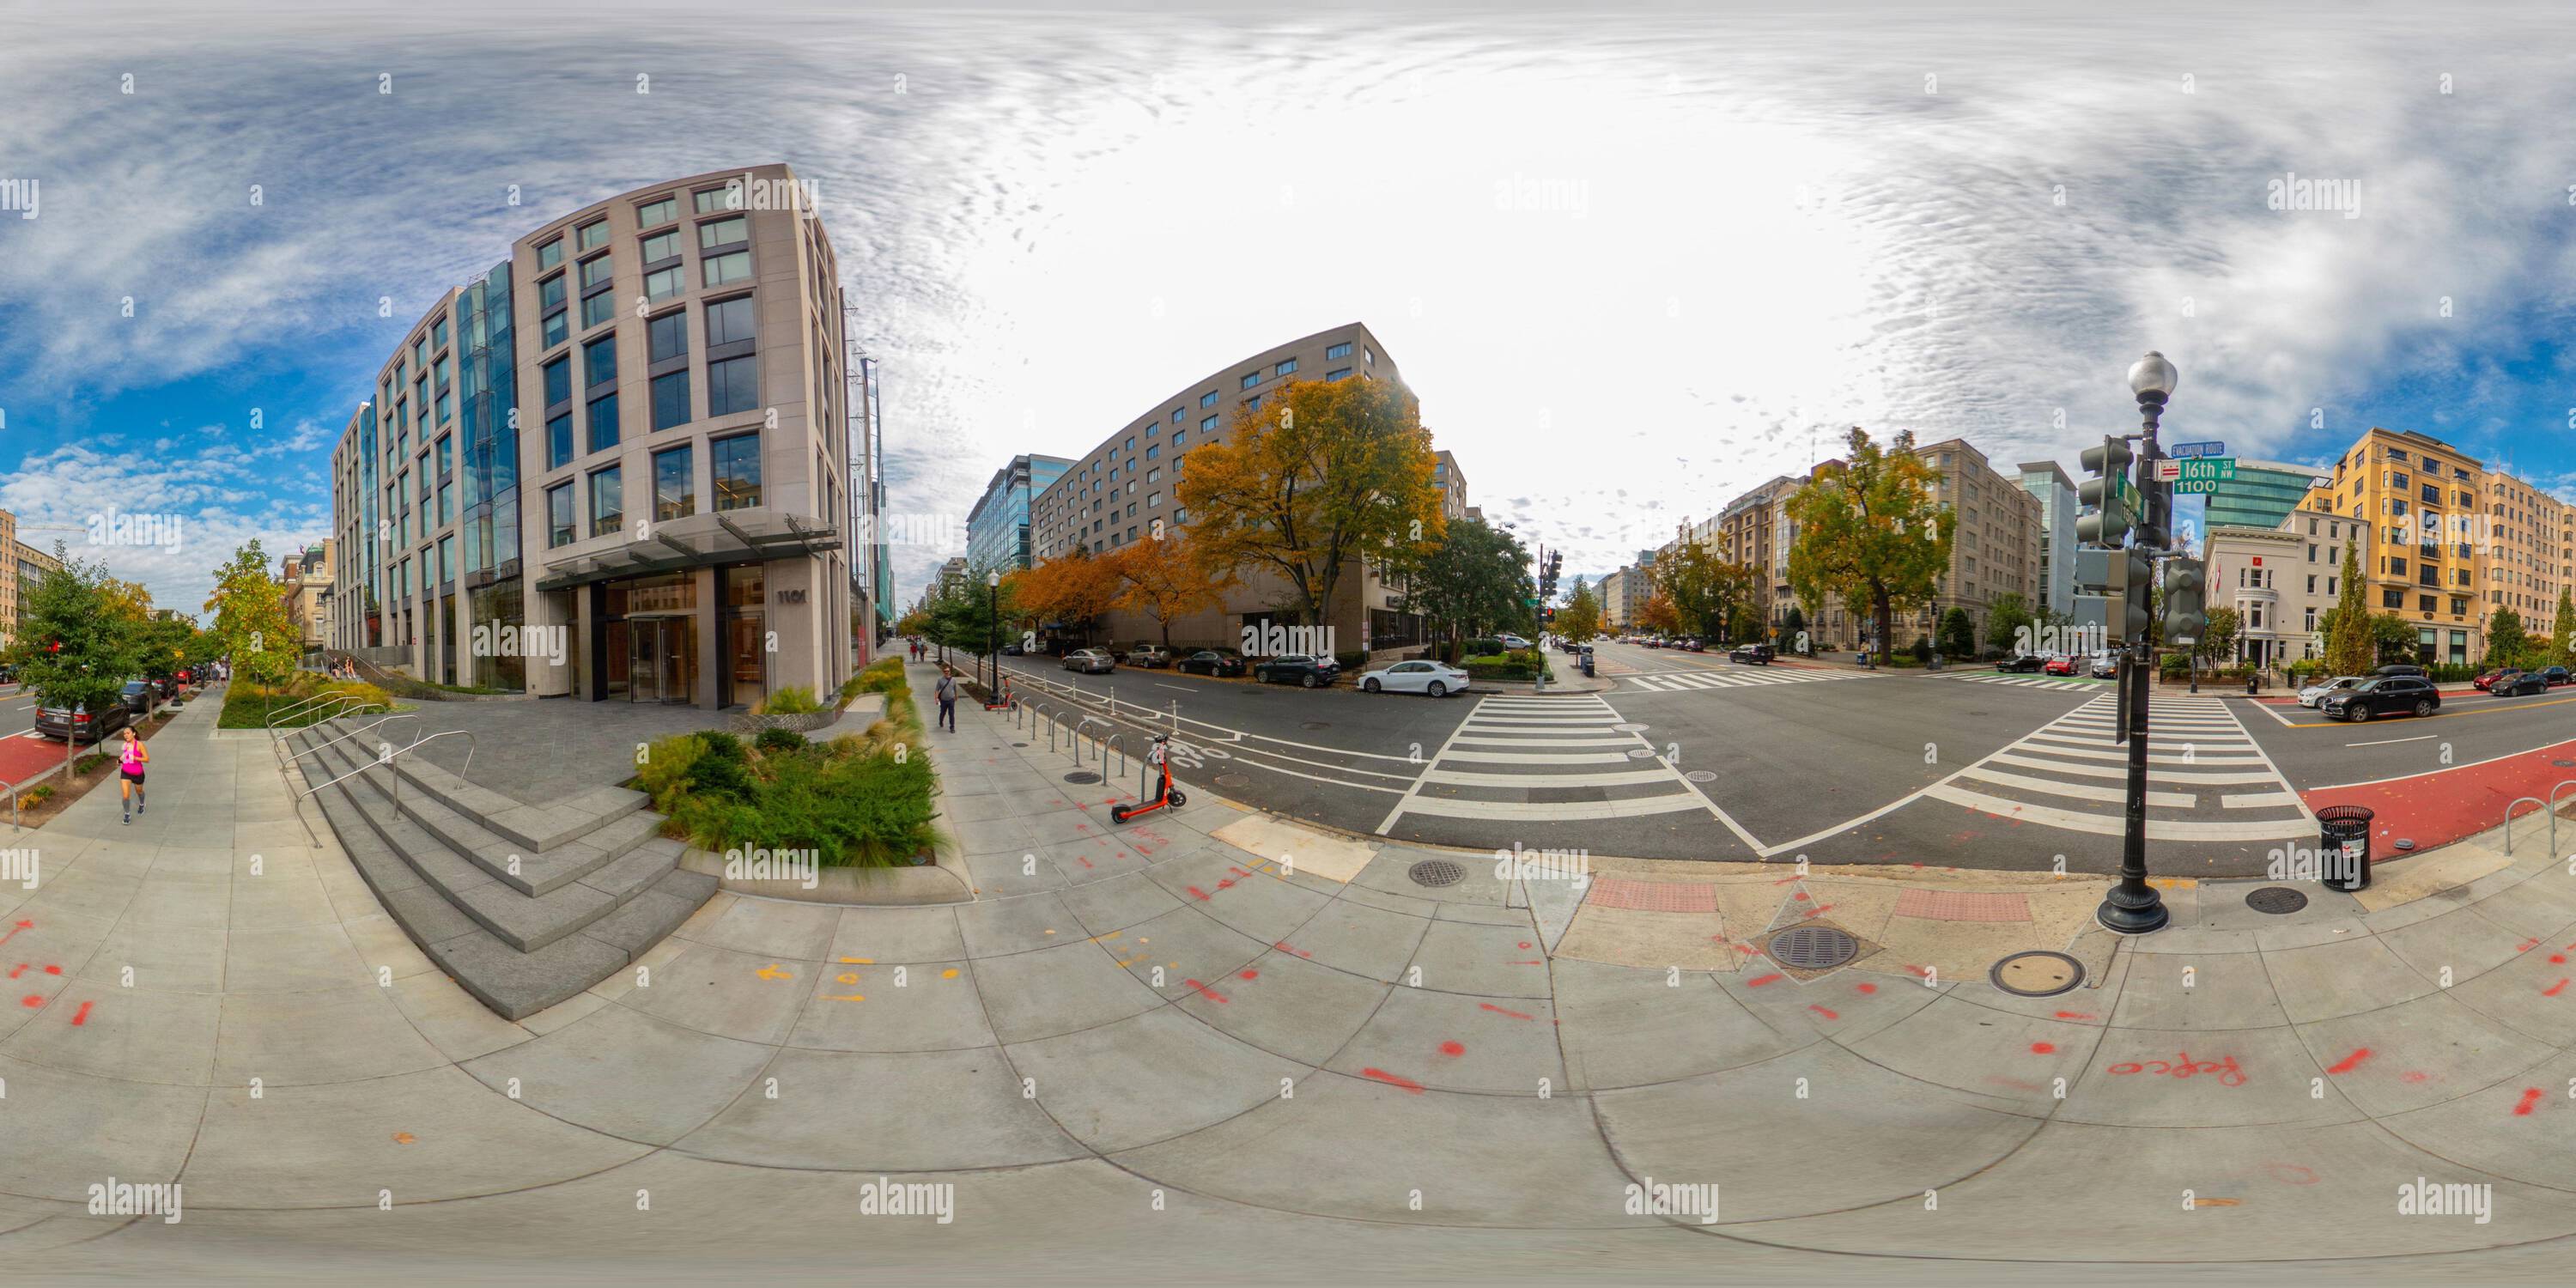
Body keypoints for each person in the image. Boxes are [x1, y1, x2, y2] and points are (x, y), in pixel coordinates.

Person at [116, 726, 149, 824]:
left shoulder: (140, 745)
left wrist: (135, 757)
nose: (126, 735)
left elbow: (147, 759)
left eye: (128, 733)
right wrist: (119, 760)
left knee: (139, 792)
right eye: (124, 733)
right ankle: (127, 814)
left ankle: (142, 803)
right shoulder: (125, 745)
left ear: (134, 733)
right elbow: (125, 756)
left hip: (138, 774)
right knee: (126, 796)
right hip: (125, 772)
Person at [933, 666, 959, 732]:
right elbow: (936, 690)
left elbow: (955, 689)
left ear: (950, 672)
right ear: (943, 672)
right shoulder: (940, 680)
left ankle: (952, 727)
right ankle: (941, 721)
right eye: (945, 671)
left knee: (951, 714)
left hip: (951, 700)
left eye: (948, 671)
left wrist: (956, 696)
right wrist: (936, 698)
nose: (946, 672)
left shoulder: (953, 680)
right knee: (942, 713)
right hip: (943, 700)